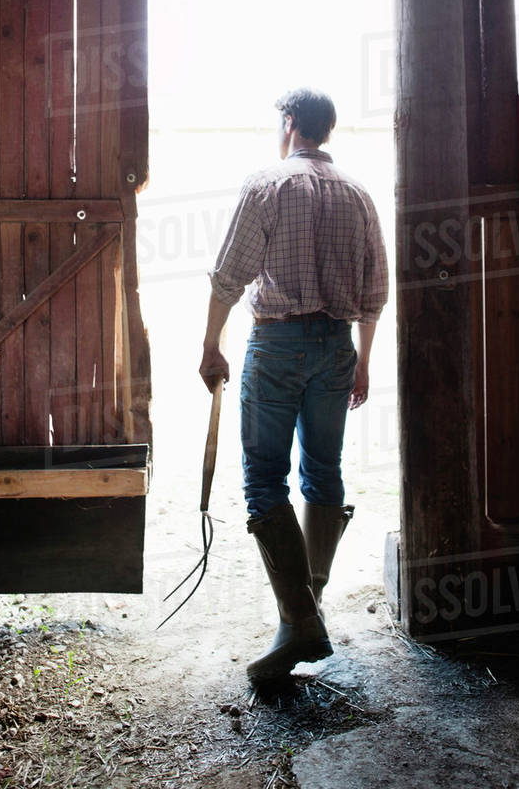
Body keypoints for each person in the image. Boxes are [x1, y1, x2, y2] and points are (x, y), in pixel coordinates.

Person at [199, 88, 388, 682]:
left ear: (289, 124)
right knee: (324, 472)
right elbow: (376, 290)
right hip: (337, 347)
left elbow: (230, 275)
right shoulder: (358, 195)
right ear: (325, 130)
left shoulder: (268, 184)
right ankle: (304, 613)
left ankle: (301, 618)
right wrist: (363, 361)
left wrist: (210, 344)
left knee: (263, 479)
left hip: (278, 344)